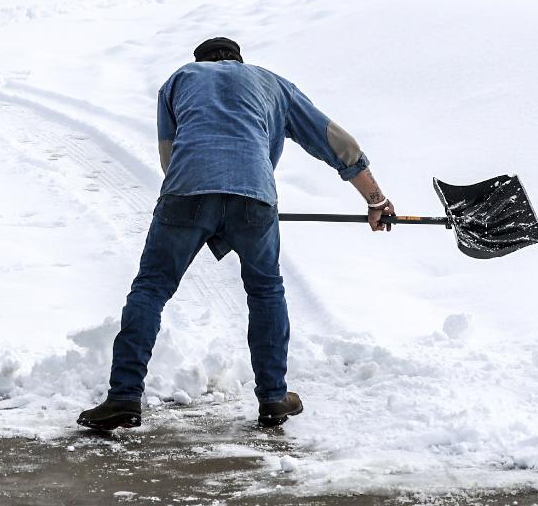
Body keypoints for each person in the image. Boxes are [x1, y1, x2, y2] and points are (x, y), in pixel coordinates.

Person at [78, 37, 393, 431]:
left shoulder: (179, 80)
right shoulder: (271, 84)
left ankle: (124, 397)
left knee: (151, 289)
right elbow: (335, 142)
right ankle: (274, 398)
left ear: (201, 61)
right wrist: (375, 200)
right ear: (240, 60)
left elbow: (168, 154)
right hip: (256, 196)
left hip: (185, 191)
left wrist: (202, 210)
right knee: (265, 290)